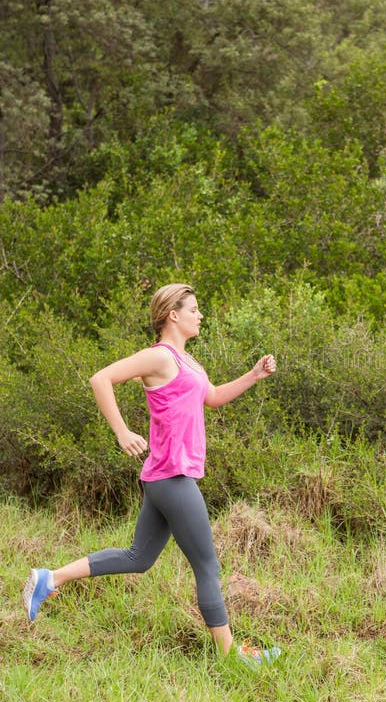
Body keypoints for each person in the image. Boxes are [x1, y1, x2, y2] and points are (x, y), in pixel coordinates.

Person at [22, 283, 280, 668]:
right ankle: (233, 658)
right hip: (172, 477)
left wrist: (252, 375)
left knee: (139, 557)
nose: (200, 315)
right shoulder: (159, 357)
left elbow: (212, 397)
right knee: (207, 566)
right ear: (173, 315)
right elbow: (100, 379)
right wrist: (122, 431)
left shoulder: (189, 362)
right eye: (193, 309)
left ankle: (50, 578)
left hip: (165, 477)